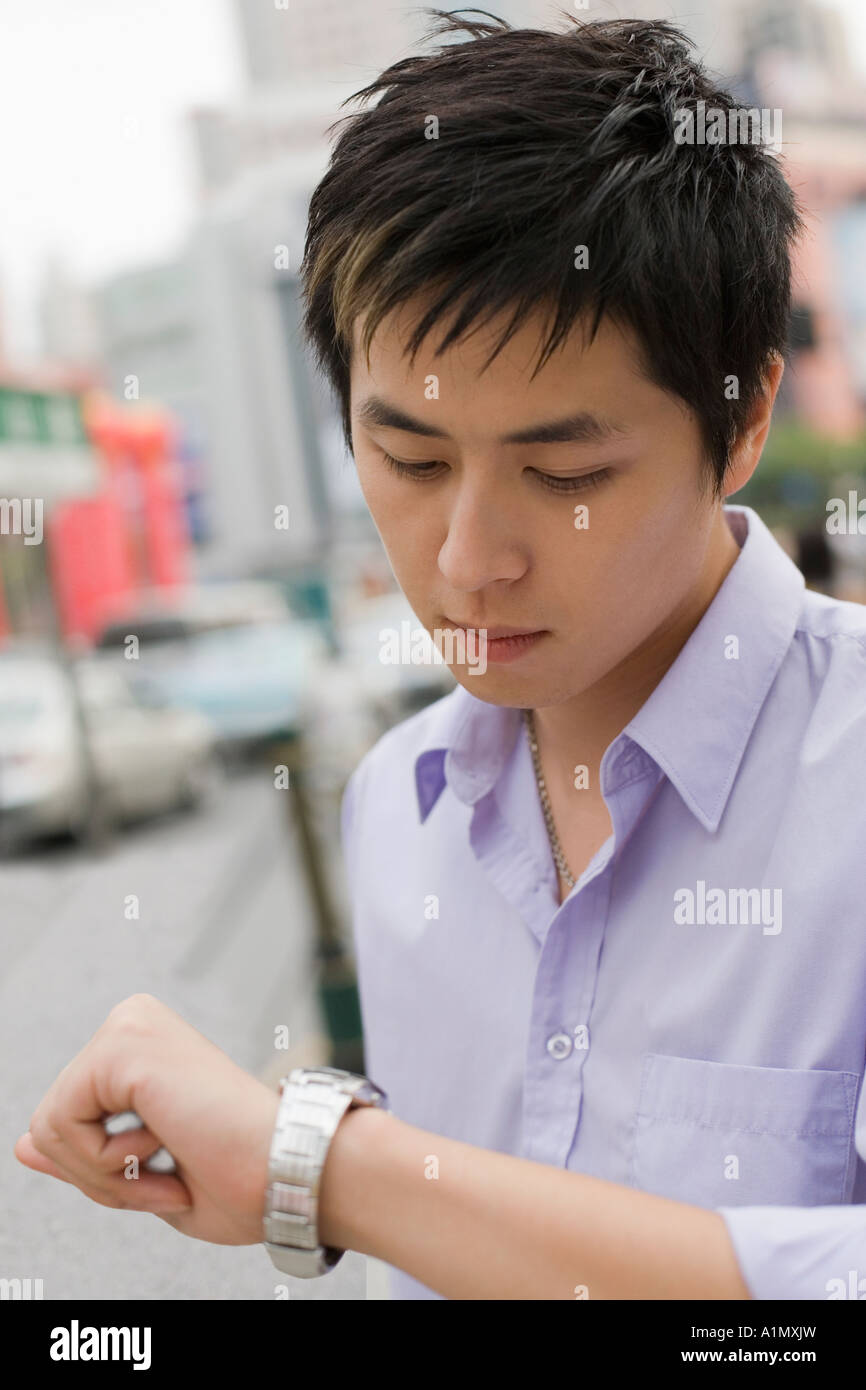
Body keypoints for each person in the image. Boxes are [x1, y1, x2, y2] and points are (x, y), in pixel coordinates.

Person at [15, 11, 866, 1301]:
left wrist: (329, 1170)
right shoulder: (397, 809)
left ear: (741, 421)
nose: (468, 559)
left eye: (564, 474)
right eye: (409, 461)